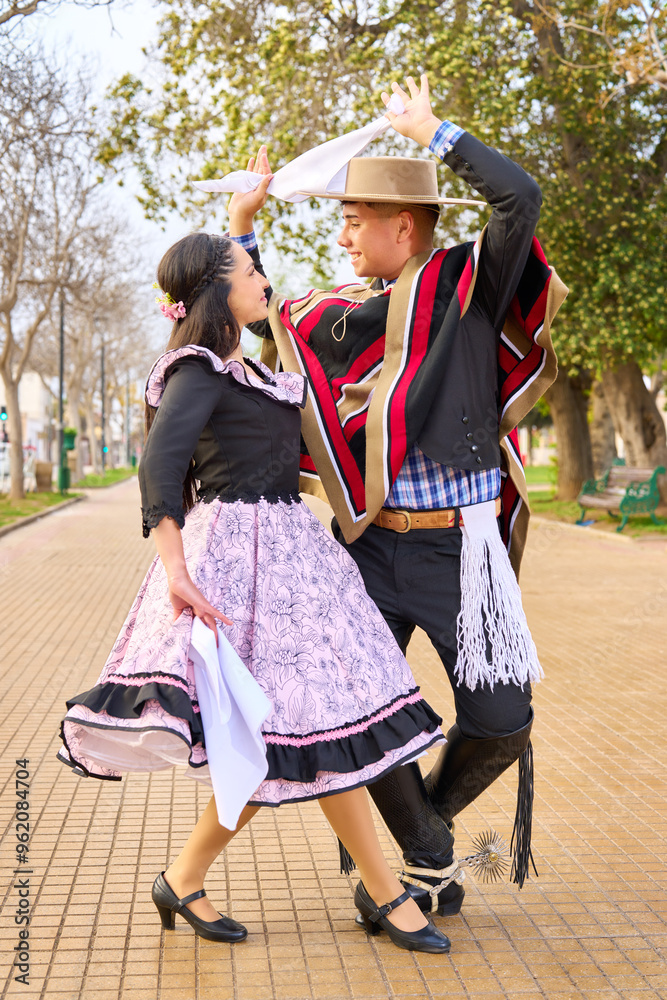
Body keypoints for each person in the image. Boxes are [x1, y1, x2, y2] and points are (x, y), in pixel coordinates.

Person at [226, 74, 568, 916]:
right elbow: (262, 318)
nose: (342, 239)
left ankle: (426, 832)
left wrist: (433, 131)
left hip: (463, 550)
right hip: (369, 548)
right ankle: (425, 855)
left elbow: (518, 195)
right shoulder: (338, 316)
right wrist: (241, 227)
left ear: (401, 225)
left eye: (352, 222)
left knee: (501, 718)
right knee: (353, 714)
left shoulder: (470, 288)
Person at [57, 230, 454, 954]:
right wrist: (176, 573)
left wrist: (243, 220)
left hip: (294, 562)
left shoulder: (246, 367)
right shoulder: (197, 369)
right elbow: (160, 474)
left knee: (314, 733)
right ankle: (388, 894)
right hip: (237, 571)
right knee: (310, 731)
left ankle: (184, 878)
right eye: (249, 270)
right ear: (216, 290)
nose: (263, 280)